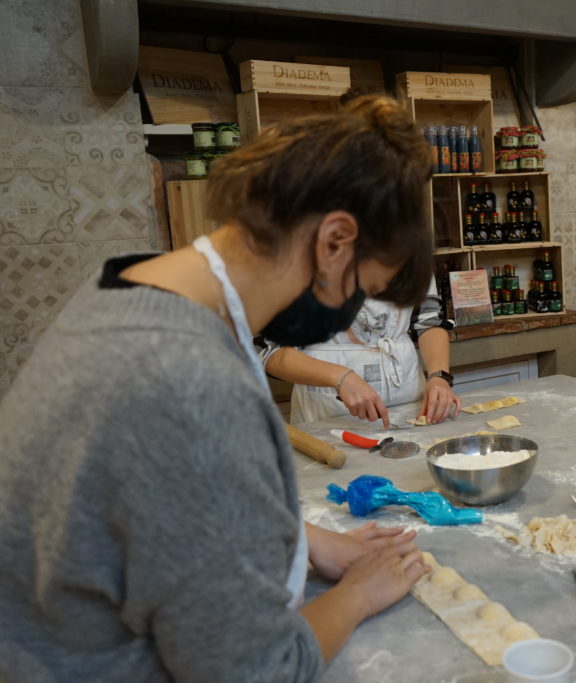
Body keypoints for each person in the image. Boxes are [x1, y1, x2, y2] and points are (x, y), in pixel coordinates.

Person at [0, 96, 436, 681]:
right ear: (334, 240)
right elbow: (257, 671)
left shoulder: (131, 282)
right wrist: (357, 594)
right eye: (362, 290)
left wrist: (302, 539)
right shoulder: (191, 385)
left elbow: (161, 506)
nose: (351, 314)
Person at [262, 280, 461, 427]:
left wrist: (439, 376)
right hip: (331, 410)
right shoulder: (299, 252)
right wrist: (340, 377)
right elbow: (271, 352)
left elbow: (429, 321)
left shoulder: (412, 245)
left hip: (410, 401)